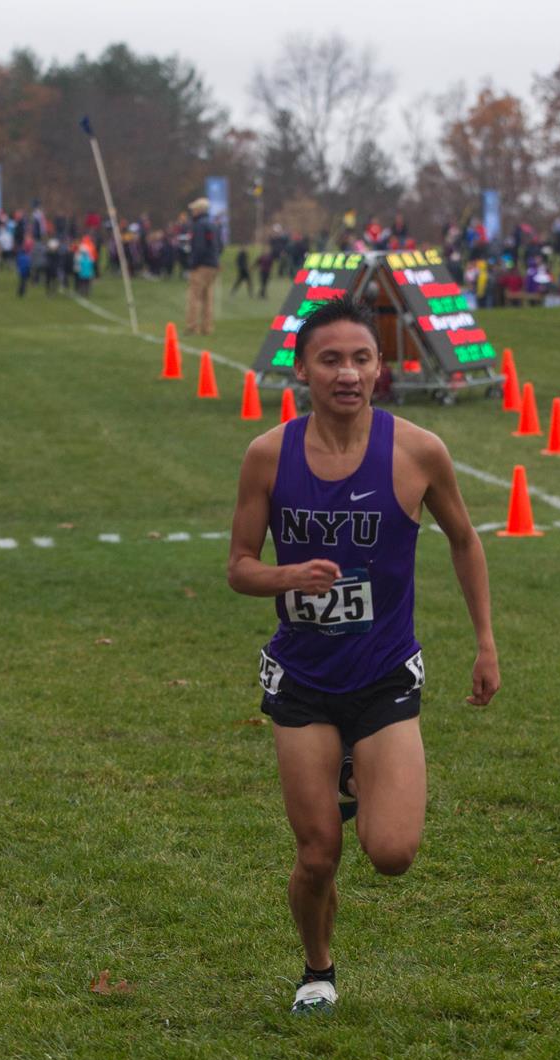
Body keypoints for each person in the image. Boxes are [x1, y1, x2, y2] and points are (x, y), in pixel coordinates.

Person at [226, 295, 499, 1015]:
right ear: (301, 370)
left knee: (392, 853)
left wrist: (485, 642)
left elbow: (466, 541)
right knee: (318, 853)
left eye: (361, 358)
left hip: (383, 675)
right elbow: (239, 567)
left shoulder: (417, 451)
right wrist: (290, 575)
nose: (348, 373)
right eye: (331, 359)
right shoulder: (268, 455)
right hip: (304, 680)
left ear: (382, 367)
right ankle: (318, 968)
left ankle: (356, 764)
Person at [185, 196, 220, 335]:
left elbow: (199, 247)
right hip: (213, 265)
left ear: (199, 210)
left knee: (195, 296)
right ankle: (207, 327)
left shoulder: (199, 225)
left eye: (194, 209)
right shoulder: (213, 224)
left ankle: (192, 327)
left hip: (201, 265)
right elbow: (220, 245)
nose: (192, 211)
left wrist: (193, 264)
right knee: (207, 298)